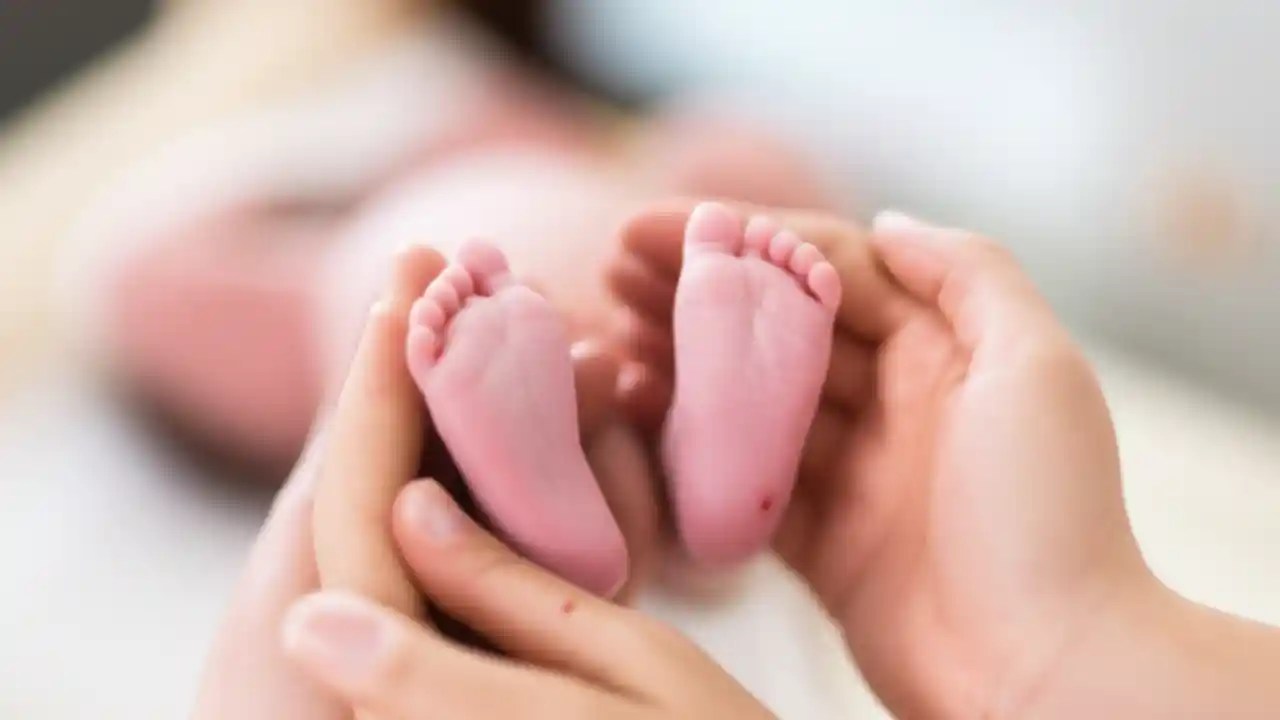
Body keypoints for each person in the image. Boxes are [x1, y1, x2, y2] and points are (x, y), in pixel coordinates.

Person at [193, 201, 1280, 719]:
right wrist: (1068, 640)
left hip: (469, 340)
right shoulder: (502, 129)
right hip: (588, 280)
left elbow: (152, 288)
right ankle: (697, 509)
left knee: (539, 456)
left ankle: (562, 519)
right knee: (644, 461)